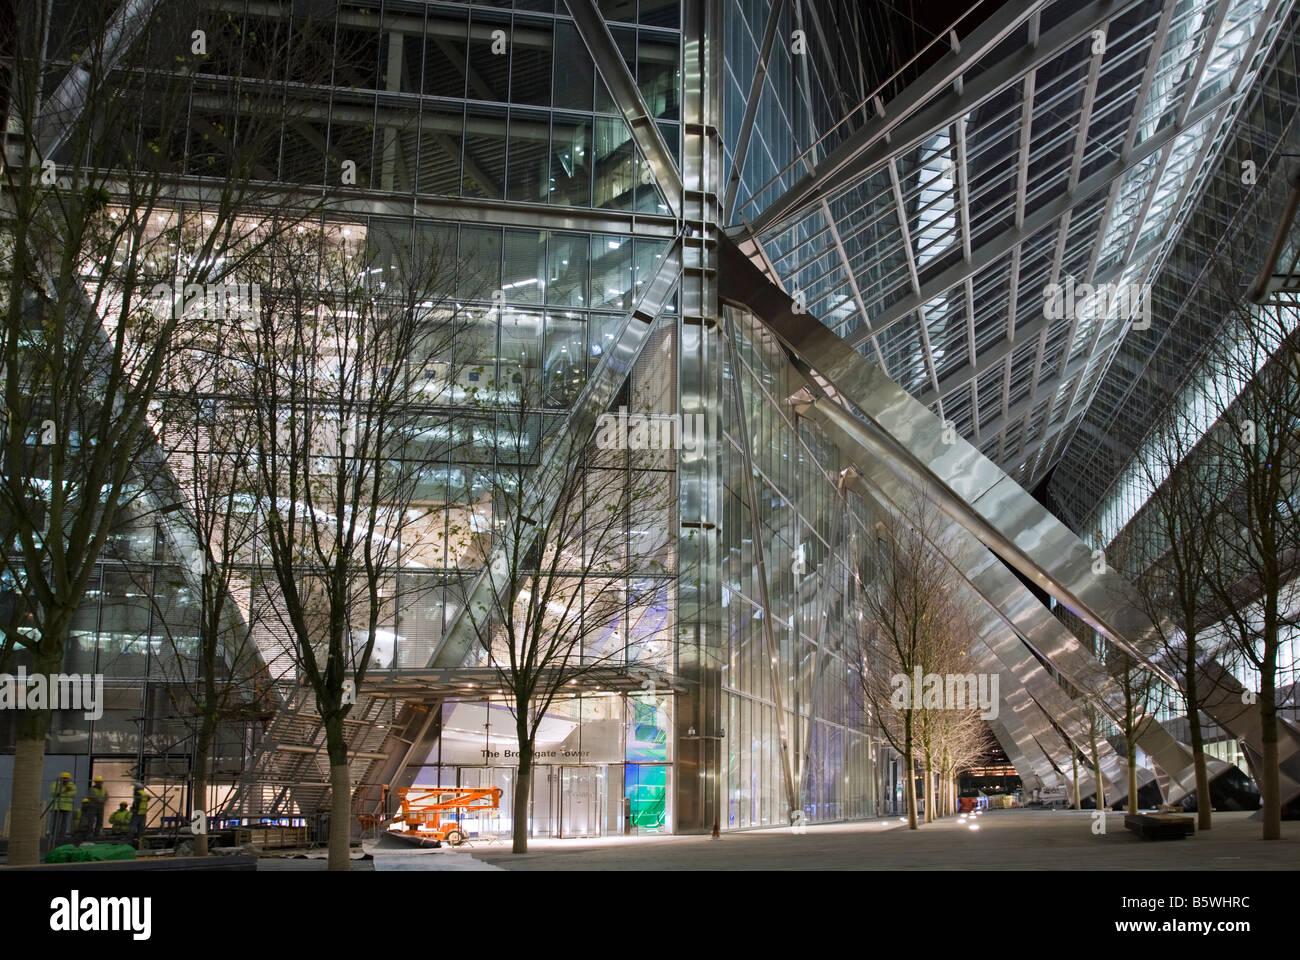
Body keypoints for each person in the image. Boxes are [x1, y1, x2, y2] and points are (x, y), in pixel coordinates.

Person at [47, 772, 76, 847]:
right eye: (64, 778)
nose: (65, 780)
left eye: (67, 779)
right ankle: (54, 835)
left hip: (66, 806)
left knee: (64, 822)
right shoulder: (56, 784)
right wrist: (66, 790)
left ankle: (62, 836)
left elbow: (72, 794)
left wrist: (63, 793)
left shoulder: (72, 786)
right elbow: (54, 792)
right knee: (55, 822)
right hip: (57, 806)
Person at [127, 781, 149, 848]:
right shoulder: (144, 793)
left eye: (134, 787)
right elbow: (148, 798)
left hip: (137, 812)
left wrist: (133, 808)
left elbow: (137, 802)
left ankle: (129, 841)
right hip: (143, 813)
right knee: (140, 829)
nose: (133, 789)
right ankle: (140, 842)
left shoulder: (138, 793)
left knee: (132, 827)